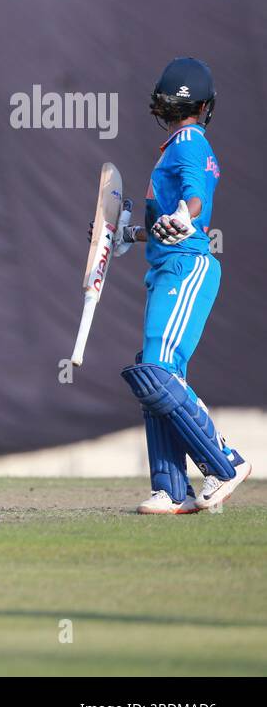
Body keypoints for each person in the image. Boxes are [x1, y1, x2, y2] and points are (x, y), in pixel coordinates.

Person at [113, 58, 251, 514]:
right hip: (168, 267)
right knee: (154, 370)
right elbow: (168, 218)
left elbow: (196, 195)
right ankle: (172, 489)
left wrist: (185, 215)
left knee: (158, 369)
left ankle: (225, 462)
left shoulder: (189, 141)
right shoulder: (177, 145)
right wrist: (128, 236)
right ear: (205, 104)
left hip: (187, 267)